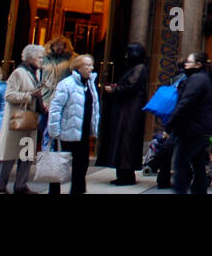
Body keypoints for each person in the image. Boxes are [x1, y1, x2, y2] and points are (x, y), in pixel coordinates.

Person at [165, 52, 212, 195]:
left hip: (191, 129)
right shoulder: (203, 78)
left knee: (181, 164)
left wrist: (170, 124)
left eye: (189, 62)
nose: (186, 64)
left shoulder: (196, 80)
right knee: (198, 164)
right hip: (199, 129)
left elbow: (185, 103)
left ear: (198, 64)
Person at [0, 43, 46, 194]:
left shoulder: (36, 73)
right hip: (16, 120)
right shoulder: (19, 73)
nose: (42, 61)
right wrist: (29, 96)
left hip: (30, 119)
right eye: (39, 57)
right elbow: (9, 95)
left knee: (27, 154)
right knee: (9, 155)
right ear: (30, 58)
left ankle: (21, 185)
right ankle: (0, 186)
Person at [46, 54, 100, 194]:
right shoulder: (66, 84)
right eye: (87, 65)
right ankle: (54, 191)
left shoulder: (90, 84)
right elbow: (56, 108)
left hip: (82, 131)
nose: (91, 68)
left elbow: (93, 107)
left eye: (91, 65)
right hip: (66, 131)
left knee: (82, 164)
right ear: (79, 67)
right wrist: (54, 130)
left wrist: (93, 127)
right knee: (60, 162)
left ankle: (78, 190)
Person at [97, 42, 149, 186]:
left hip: (130, 113)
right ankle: (123, 174)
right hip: (126, 111)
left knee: (126, 142)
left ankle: (126, 175)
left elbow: (131, 87)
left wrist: (114, 90)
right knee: (122, 142)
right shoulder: (136, 68)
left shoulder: (139, 68)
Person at [39, 36, 74, 194]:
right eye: (56, 45)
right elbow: (40, 78)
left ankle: (57, 161)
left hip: (62, 99)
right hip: (46, 97)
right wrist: (42, 99)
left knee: (57, 132)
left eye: (62, 45)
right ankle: (47, 158)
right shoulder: (44, 59)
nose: (59, 47)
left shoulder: (72, 59)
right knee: (45, 130)